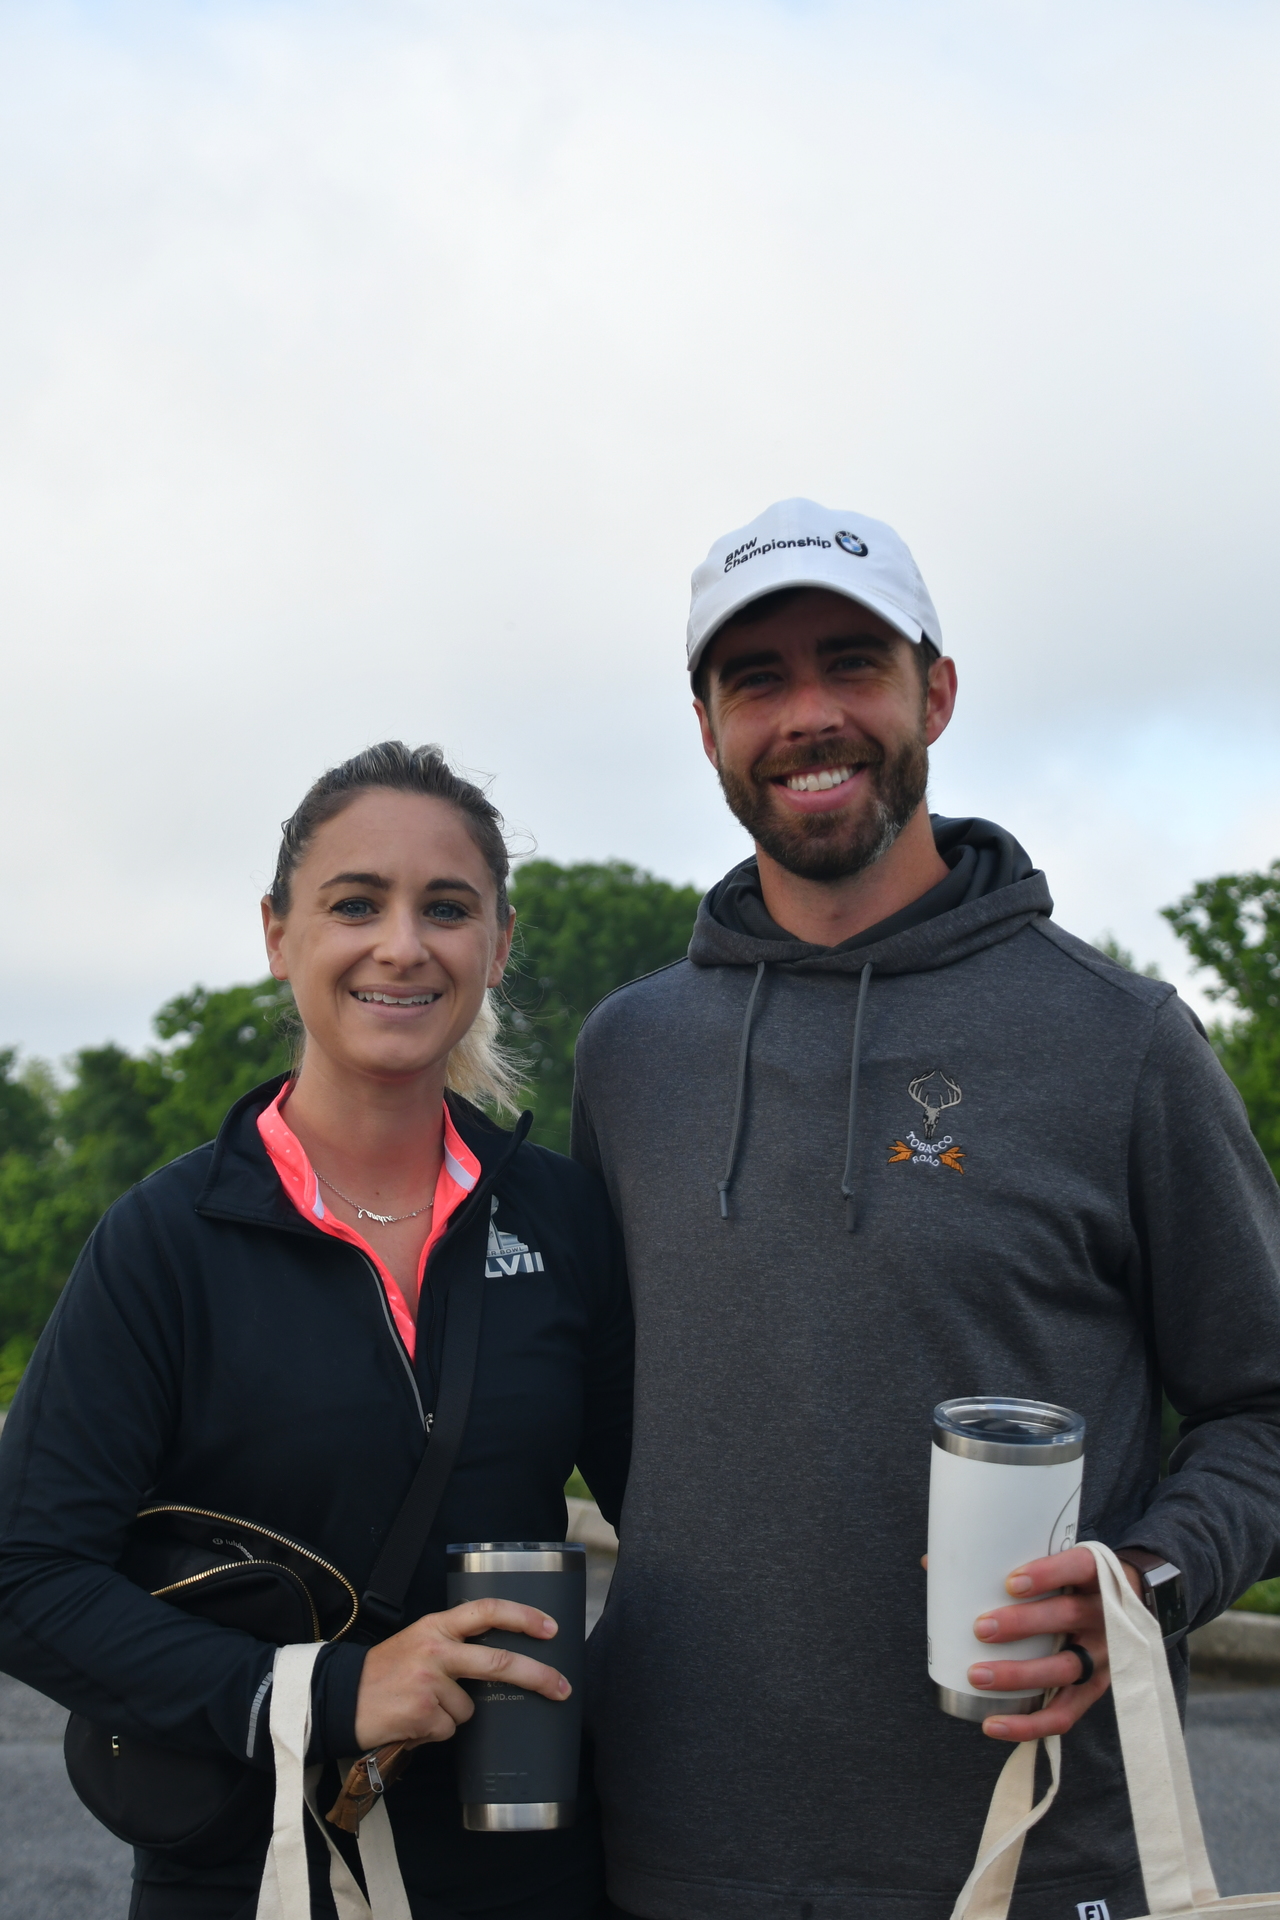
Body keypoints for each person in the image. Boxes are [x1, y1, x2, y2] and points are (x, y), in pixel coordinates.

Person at [573, 499, 1280, 1920]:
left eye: (854, 664)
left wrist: (1143, 1577)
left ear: (936, 693)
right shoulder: (629, 1057)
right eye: (757, 680)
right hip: (675, 1853)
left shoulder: (1122, 1042)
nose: (809, 716)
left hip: (1032, 1850)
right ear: (705, 723)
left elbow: (1264, 1405)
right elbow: (610, 1413)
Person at [0, 742, 633, 1920]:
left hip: (529, 1872)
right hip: (247, 1873)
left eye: (445, 908)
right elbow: (24, 1575)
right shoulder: (166, 1241)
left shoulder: (562, 1216)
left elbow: (679, 1517)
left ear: (495, 946)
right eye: (355, 903)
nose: (401, 944)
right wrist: (327, 1691)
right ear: (277, 933)